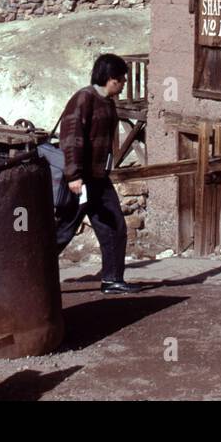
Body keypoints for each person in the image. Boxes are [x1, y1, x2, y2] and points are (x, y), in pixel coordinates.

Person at [55, 54, 139, 294]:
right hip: (81, 180)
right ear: (110, 78)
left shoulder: (108, 102)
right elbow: (71, 139)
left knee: (114, 227)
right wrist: (73, 176)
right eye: (121, 79)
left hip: (99, 179)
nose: (123, 84)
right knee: (63, 231)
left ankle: (112, 279)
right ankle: (33, 277)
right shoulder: (84, 99)